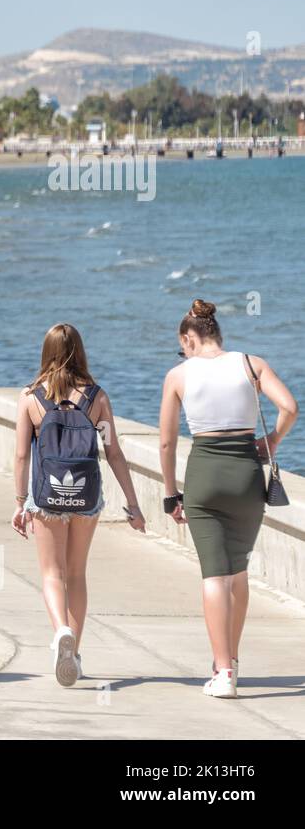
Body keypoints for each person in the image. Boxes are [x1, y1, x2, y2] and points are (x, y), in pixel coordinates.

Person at [160, 300, 297, 699]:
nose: (183, 352)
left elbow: (167, 442)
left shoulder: (178, 375)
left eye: (182, 346)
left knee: (213, 575)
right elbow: (289, 407)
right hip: (246, 476)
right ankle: (231, 662)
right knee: (237, 573)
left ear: (190, 338)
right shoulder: (251, 364)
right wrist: (271, 440)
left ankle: (222, 672)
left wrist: (171, 494)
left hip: (205, 475)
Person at [12, 323, 145, 687]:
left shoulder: (30, 397)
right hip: (86, 496)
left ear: (46, 351)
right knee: (76, 575)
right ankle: (75, 652)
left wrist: (20, 502)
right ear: (80, 351)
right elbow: (114, 453)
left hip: (46, 496)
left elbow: (22, 455)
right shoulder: (98, 398)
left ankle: (61, 635)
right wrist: (133, 505)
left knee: (51, 575)